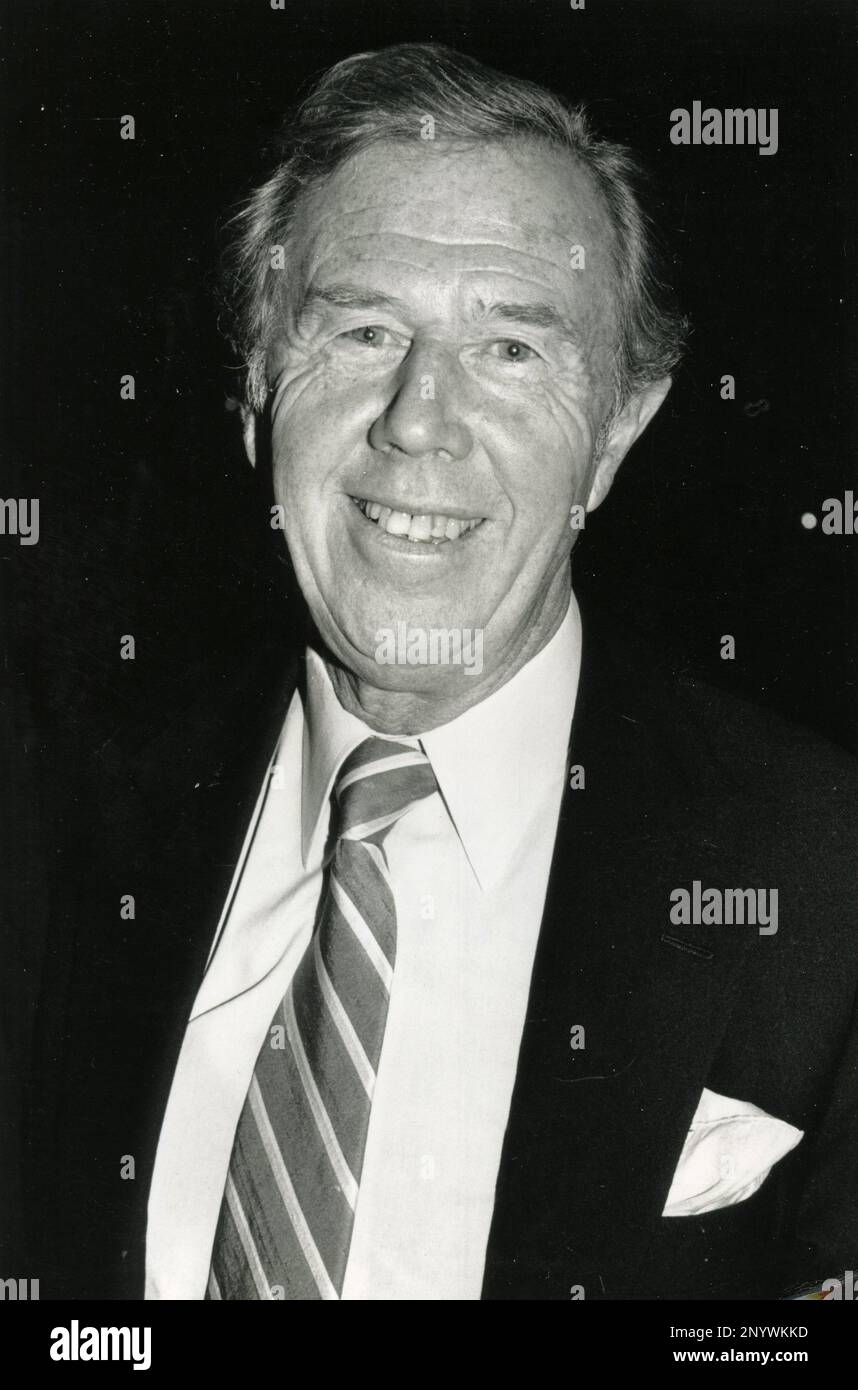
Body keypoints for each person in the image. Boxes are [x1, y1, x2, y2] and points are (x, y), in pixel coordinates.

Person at [29, 43, 857, 1301]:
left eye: (513, 351)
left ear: (620, 428)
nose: (418, 418)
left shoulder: (824, 876)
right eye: (363, 329)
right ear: (257, 387)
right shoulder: (60, 825)